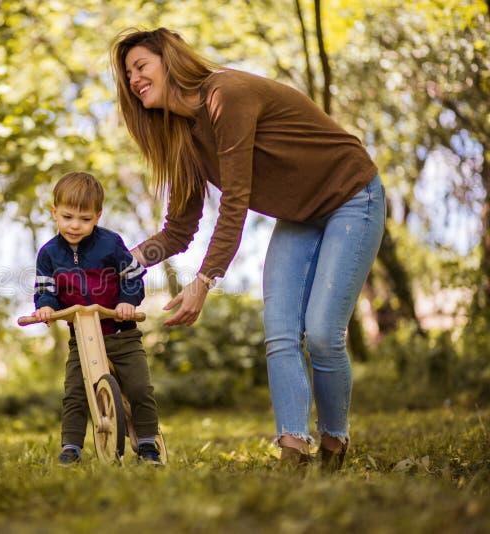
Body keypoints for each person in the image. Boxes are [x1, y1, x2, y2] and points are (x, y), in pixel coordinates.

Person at [110, 28, 385, 468]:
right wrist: (127, 262)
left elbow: (236, 198)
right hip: (301, 216)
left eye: (141, 66)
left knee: (320, 333)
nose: (134, 79)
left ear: (170, 59)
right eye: (128, 75)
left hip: (352, 195)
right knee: (280, 332)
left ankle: (334, 445)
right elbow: (179, 231)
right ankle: (294, 451)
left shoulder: (226, 94)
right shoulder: (184, 136)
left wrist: (204, 281)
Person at [32, 171, 162, 465]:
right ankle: (71, 447)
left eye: (85, 219)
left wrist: (127, 302)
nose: (75, 225)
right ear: (54, 212)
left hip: (121, 333)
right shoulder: (49, 254)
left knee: (140, 388)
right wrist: (46, 307)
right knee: (75, 393)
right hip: (83, 337)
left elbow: (132, 278)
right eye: (67, 217)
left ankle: (147, 443)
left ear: (98, 216)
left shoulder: (110, 244)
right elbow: (45, 290)